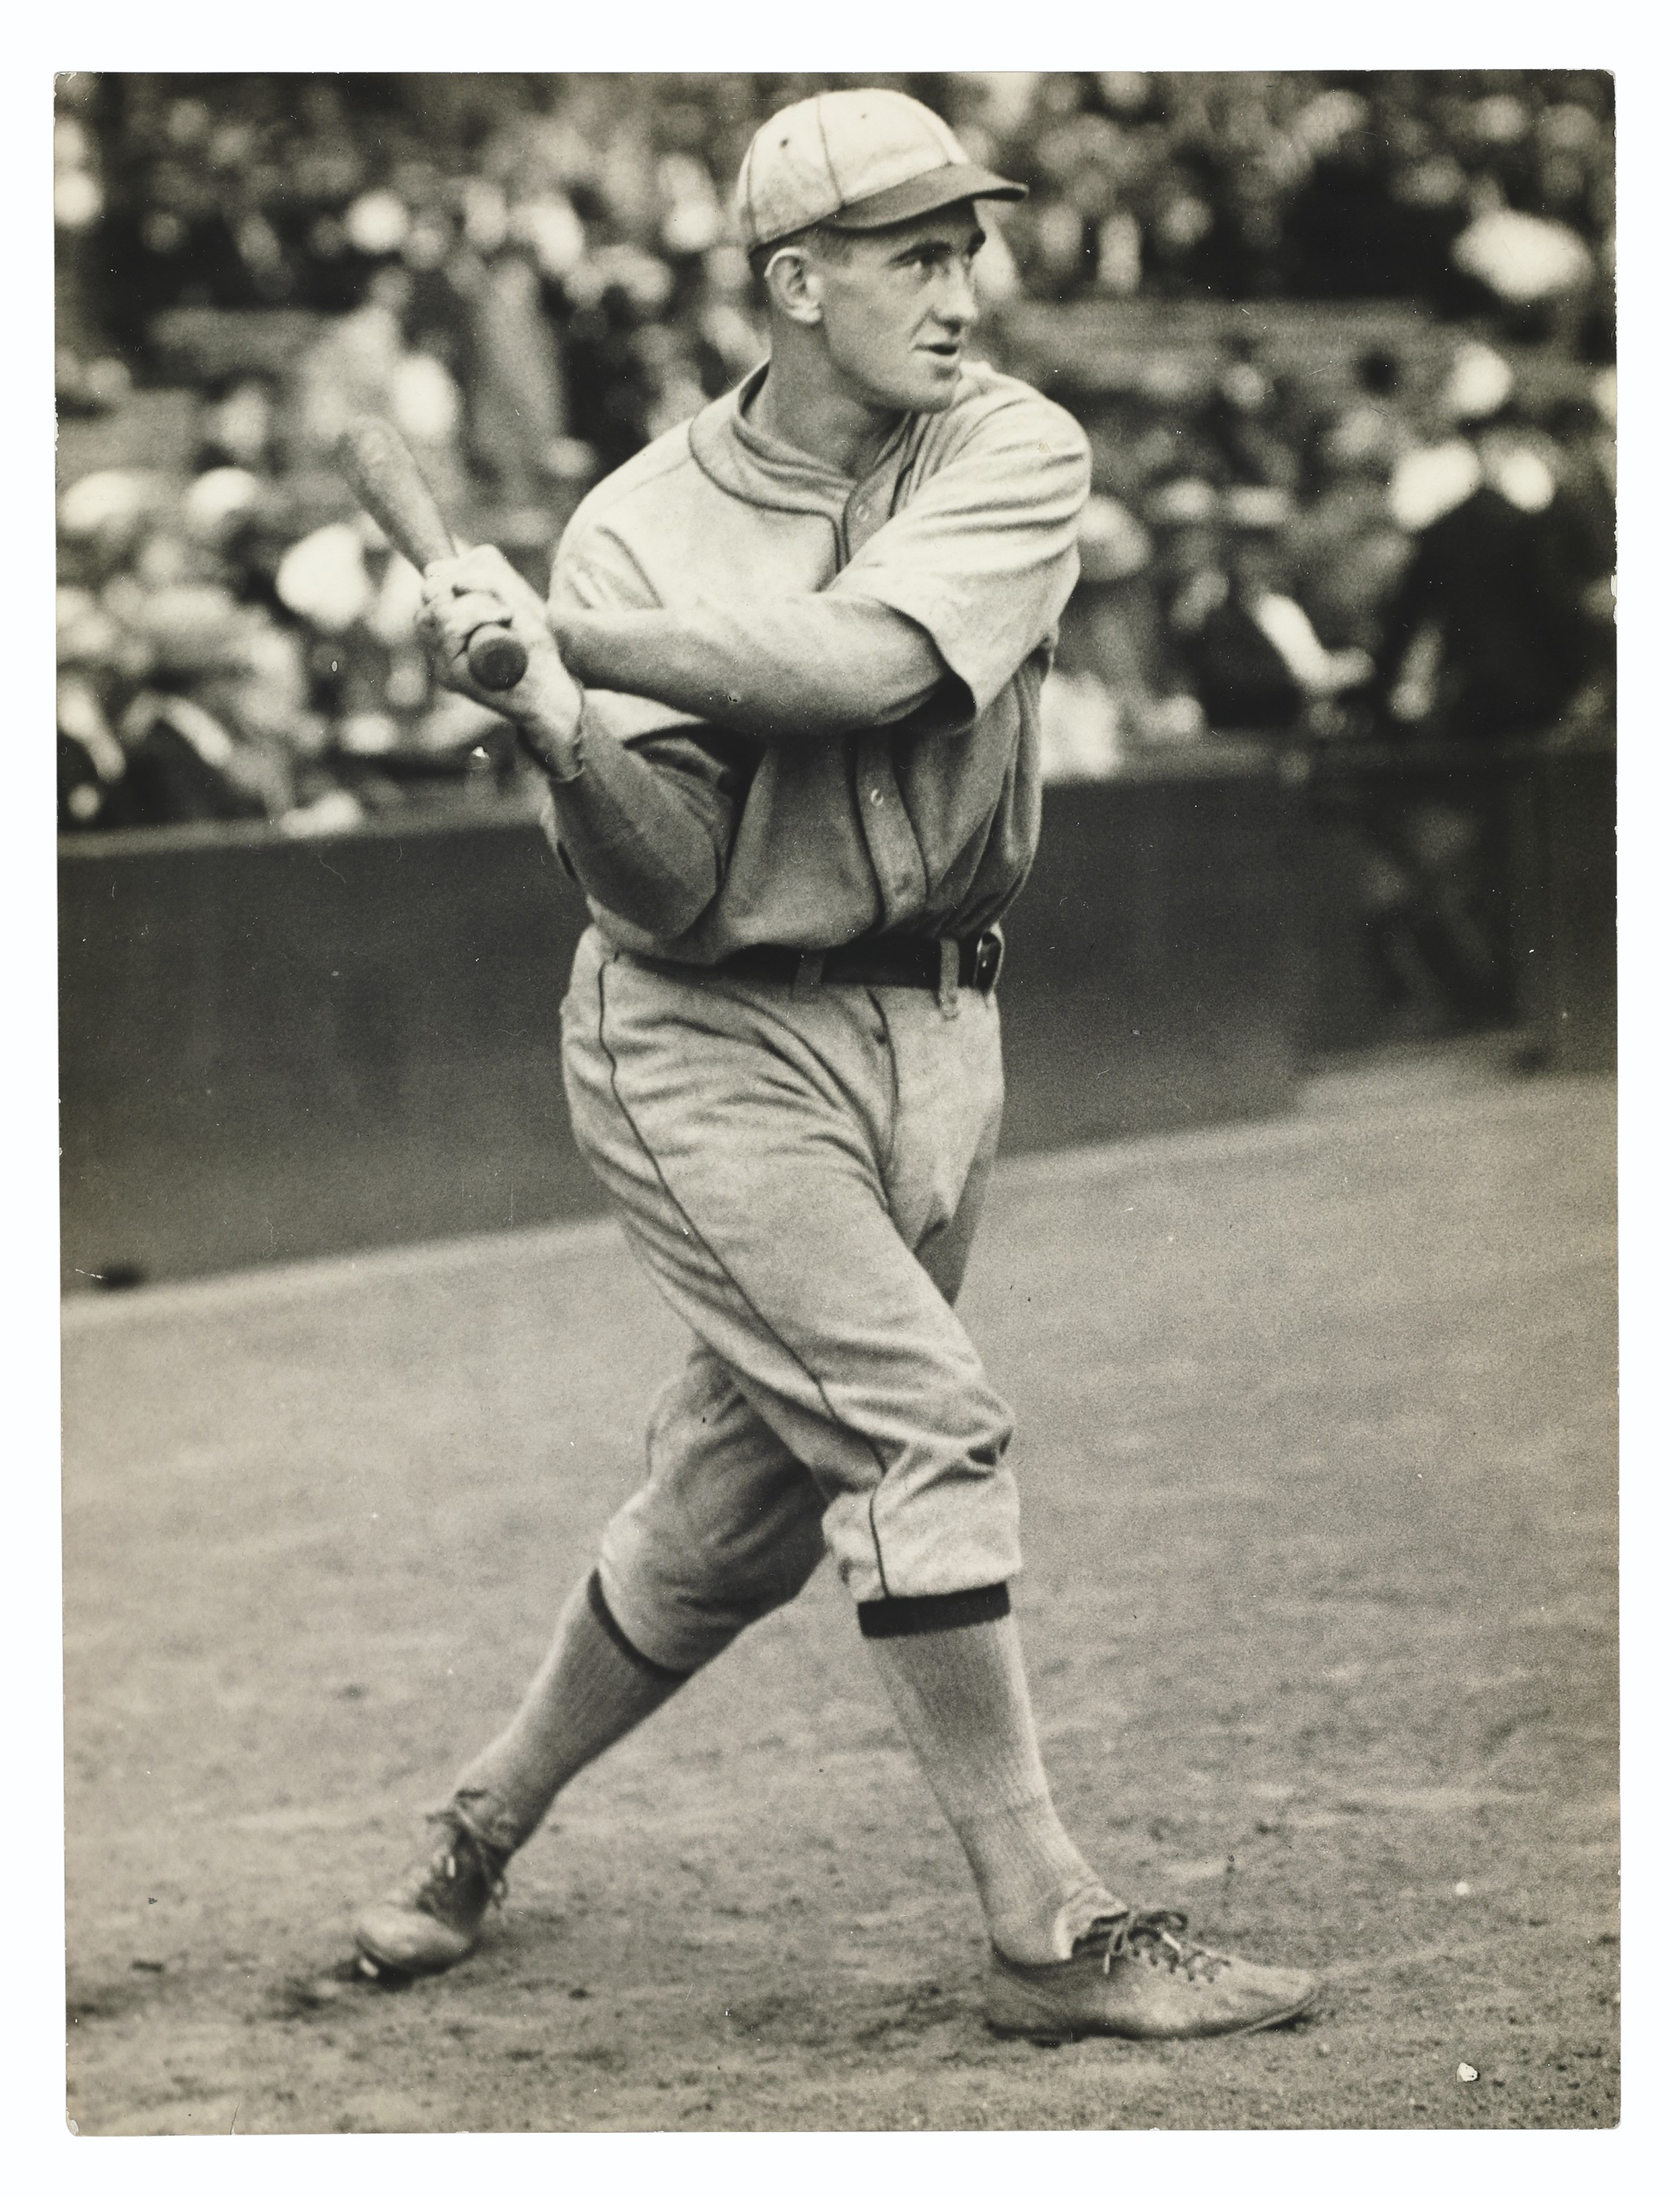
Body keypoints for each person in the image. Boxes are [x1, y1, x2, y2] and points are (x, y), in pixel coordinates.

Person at [353, 87, 1317, 2043]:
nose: (969, 290)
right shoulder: (633, 516)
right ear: (795, 285)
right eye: (917, 255)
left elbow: (875, 667)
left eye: (970, 246)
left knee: (735, 1512)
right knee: (919, 1426)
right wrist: (556, 730)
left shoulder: (1010, 443)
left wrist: (585, 647)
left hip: (945, 1029)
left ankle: (476, 1823)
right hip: (708, 1041)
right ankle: (1049, 1923)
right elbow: (667, 882)